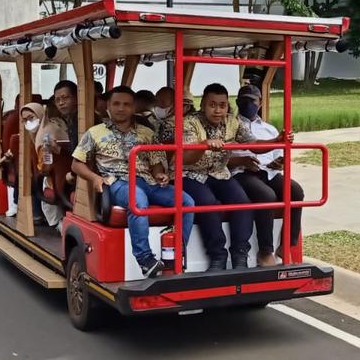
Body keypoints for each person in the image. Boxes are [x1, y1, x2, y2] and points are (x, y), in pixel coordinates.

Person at [71, 86, 195, 278]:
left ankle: (178, 252)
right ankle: (145, 259)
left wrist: (160, 175)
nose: (121, 108)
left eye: (126, 104)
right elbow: (76, 164)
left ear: (133, 107)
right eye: (116, 104)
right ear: (109, 107)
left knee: (186, 202)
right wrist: (95, 178)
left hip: (147, 181)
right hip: (117, 182)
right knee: (138, 200)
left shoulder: (147, 133)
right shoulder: (94, 132)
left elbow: (156, 166)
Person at [182, 83, 256, 271]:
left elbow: (254, 144)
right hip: (190, 174)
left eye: (222, 105)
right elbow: (186, 157)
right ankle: (217, 256)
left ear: (227, 107)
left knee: (242, 202)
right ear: (203, 105)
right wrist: (204, 145)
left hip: (219, 173)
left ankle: (240, 255)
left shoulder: (233, 122)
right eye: (212, 105)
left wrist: (278, 141)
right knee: (208, 203)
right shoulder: (189, 123)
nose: (217, 110)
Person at [230, 85, 304, 267]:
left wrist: (279, 163)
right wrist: (243, 161)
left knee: (295, 190)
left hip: (268, 171)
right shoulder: (231, 126)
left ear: (261, 103)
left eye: (252, 101)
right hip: (242, 172)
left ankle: (287, 245)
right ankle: (265, 251)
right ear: (237, 102)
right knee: (267, 196)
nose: (248, 104)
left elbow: (279, 155)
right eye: (244, 100)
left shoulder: (270, 129)